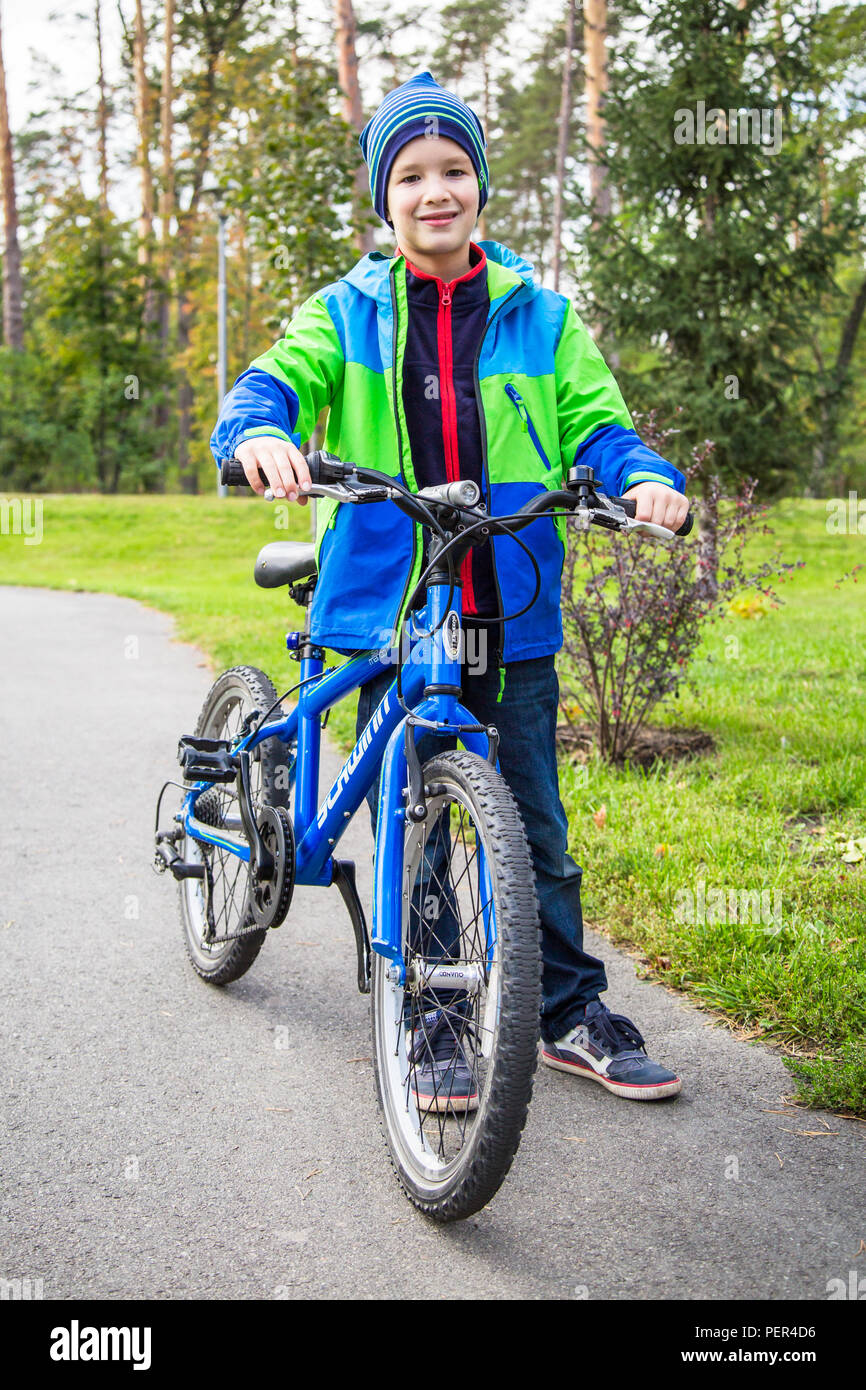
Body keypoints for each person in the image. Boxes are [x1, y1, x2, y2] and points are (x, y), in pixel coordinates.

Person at [211, 70, 688, 1105]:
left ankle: (567, 1009)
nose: (436, 190)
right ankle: (429, 1012)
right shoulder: (345, 313)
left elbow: (599, 429)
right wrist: (256, 433)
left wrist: (641, 478)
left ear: (480, 187)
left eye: (455, 169)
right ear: (384, 198)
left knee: (534, 825)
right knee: (416, 818)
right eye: (412, 174)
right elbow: (274, 382)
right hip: (391, 603)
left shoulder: (540, 319)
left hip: (502, 611)